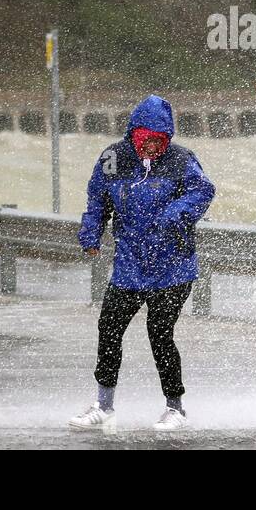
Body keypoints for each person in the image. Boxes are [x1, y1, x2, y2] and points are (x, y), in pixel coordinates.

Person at [68, 95, 215, 432]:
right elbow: (97, 199)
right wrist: (91, 234)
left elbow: (203, 191)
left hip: (174, 266)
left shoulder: (181, 160)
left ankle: (175, 408)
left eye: (160, 141)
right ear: (134, 135)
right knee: (109, 329)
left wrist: (174, 214)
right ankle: (103, 405)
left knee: (159, 333)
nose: (153, 147)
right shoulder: (112, 158)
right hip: (130, 265)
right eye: (147, 140)